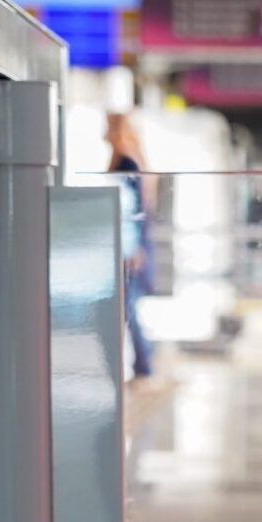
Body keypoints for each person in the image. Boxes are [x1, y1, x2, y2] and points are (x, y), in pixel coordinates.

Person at [107, 113, 155, 380]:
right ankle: (140, 365)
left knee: (129, 308)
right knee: (128, 307)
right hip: (128, 247)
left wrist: (134, 248)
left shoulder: (127, 165)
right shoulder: (134, 162)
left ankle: (144, 365)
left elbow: (131, 210)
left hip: (127, 250)